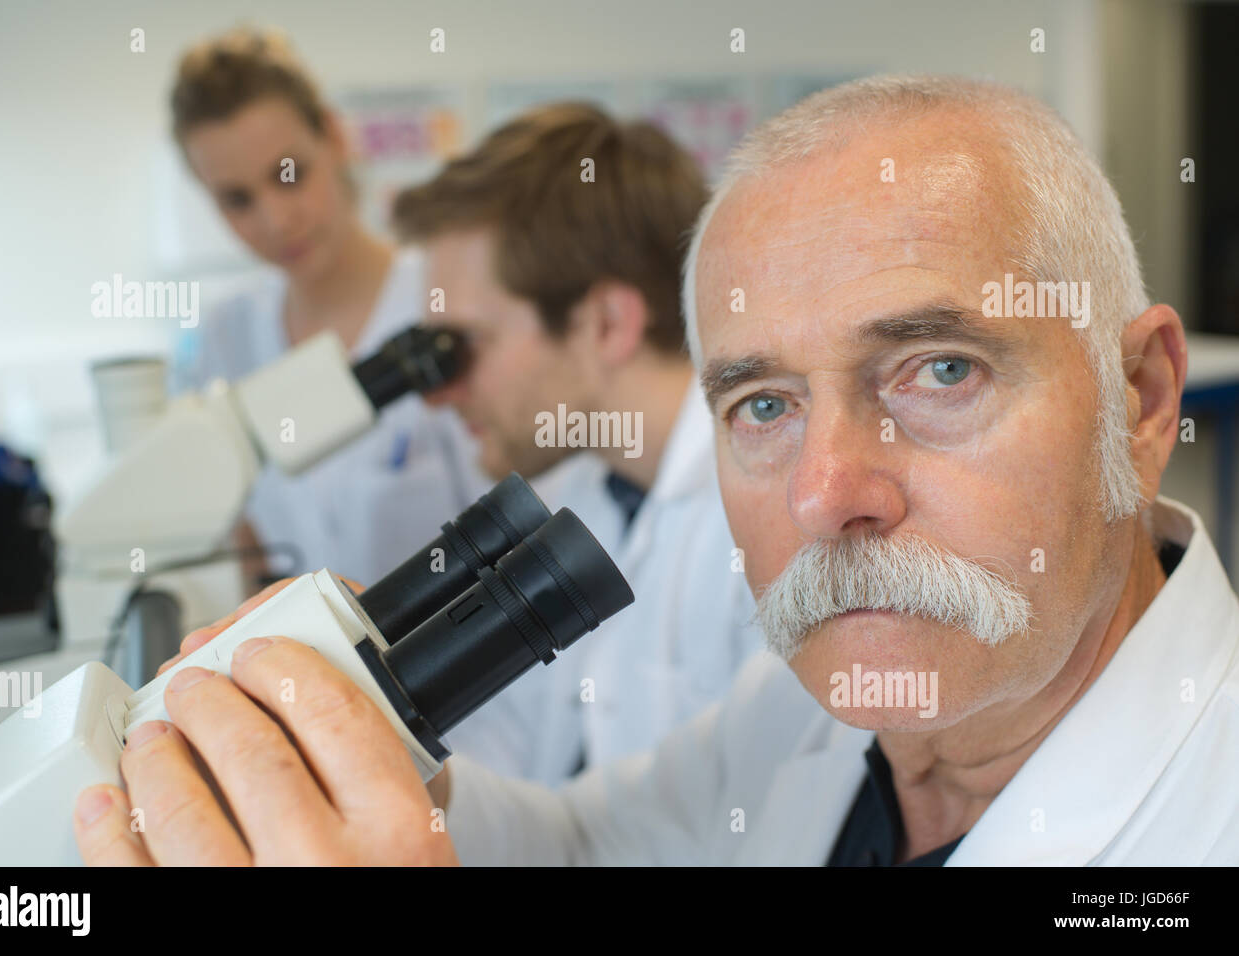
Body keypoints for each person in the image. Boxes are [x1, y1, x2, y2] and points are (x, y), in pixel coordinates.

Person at [75, 74, 1239, 866]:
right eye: (764, 404)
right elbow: (587, 845)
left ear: (1141, 399)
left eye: (938, 372)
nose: (824, 493)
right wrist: (349, 755)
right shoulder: (820, 714)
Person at [389, 103, 765, 783]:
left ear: (605, 323)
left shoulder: (770, 521)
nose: (440, 393)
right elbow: (510, 742)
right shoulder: (575, 493)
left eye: (463, 346)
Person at [167, 27, 485, 588]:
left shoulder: (445, 302)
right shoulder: (225, 340)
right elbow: (244, 550)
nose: (275, 220)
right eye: (237, 200)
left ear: (333, 138)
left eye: (289, 175)